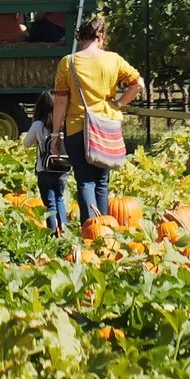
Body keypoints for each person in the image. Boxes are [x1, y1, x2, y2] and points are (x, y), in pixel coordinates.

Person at [53, 15, 144, 229]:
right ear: (101, 36)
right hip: (106, 127)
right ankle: (104, 229)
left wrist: (56, 134)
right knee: (102, 181)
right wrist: (120, 103)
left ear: (81, 36)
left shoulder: (69, 62)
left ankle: (90, 228)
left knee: (85, 180)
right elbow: (138, 83)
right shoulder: (114, 60)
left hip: (77, 127)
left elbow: (59, 101)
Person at [24, 90, 70, 235]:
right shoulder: (64, 123)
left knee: (50, 204)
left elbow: (26, 144)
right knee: (60, 199)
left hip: (44, 169)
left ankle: (53, 232)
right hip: (62, 169)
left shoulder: (39, 125)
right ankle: (64, 230)